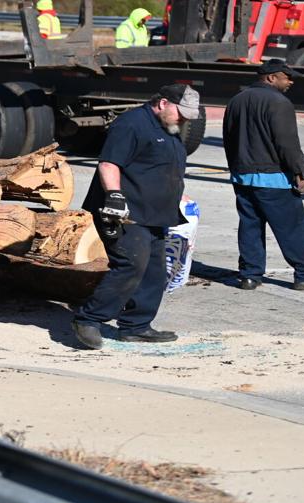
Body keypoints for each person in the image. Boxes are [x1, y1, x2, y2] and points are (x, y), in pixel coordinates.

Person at [72, 83, 199, 349]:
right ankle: (88, 319)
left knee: (154, 270)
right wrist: (114, 196)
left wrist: (178, 195)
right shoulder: (131, 124)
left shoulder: (170, 127)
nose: (184, 118)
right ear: (163, 103)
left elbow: (161, 166)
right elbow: (109, 163)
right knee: (130, 264)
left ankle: (136, 326)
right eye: (181, 112)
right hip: (126, 212)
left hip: (155, 213)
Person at [221, 58, 304, 291]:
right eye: (287, 77)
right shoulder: (278, 102)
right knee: (293, 227)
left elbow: (228, 138)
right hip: (273, 178)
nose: (291, 81)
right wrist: (300, 173)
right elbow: (287, 144)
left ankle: (249, 275)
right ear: (271, 77)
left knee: (250, 226)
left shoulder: (236, 100)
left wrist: (236, 168)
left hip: (242, 176)